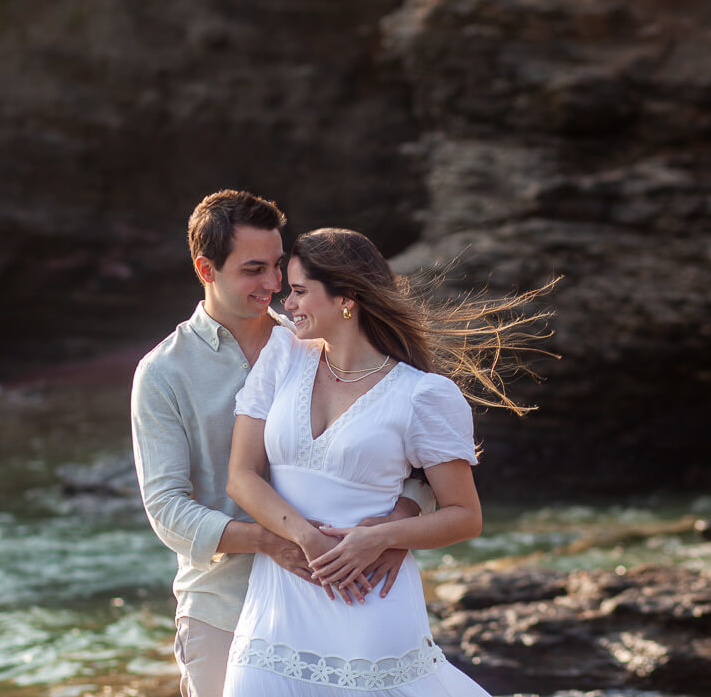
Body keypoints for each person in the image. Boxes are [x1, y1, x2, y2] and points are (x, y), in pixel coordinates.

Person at [224, 227, 554, 696]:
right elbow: (240, 476)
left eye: (299, 292)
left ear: (347, 298)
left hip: (370, 607)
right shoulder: (282, 356)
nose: (287, 303)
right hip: (278, 604)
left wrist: (381, 538)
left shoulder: (423, 395)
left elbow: (465, 516)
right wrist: (305, 536)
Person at [131, 191, 435, 697]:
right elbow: (165, 508)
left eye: (277, 266)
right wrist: (274, 541)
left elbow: (403, 448)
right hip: (224, 605)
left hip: (345, 595)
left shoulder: (313, 340)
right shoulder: (163, 372)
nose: (273, 284)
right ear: (206, 269)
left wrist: (397, 524)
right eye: (254, 269)